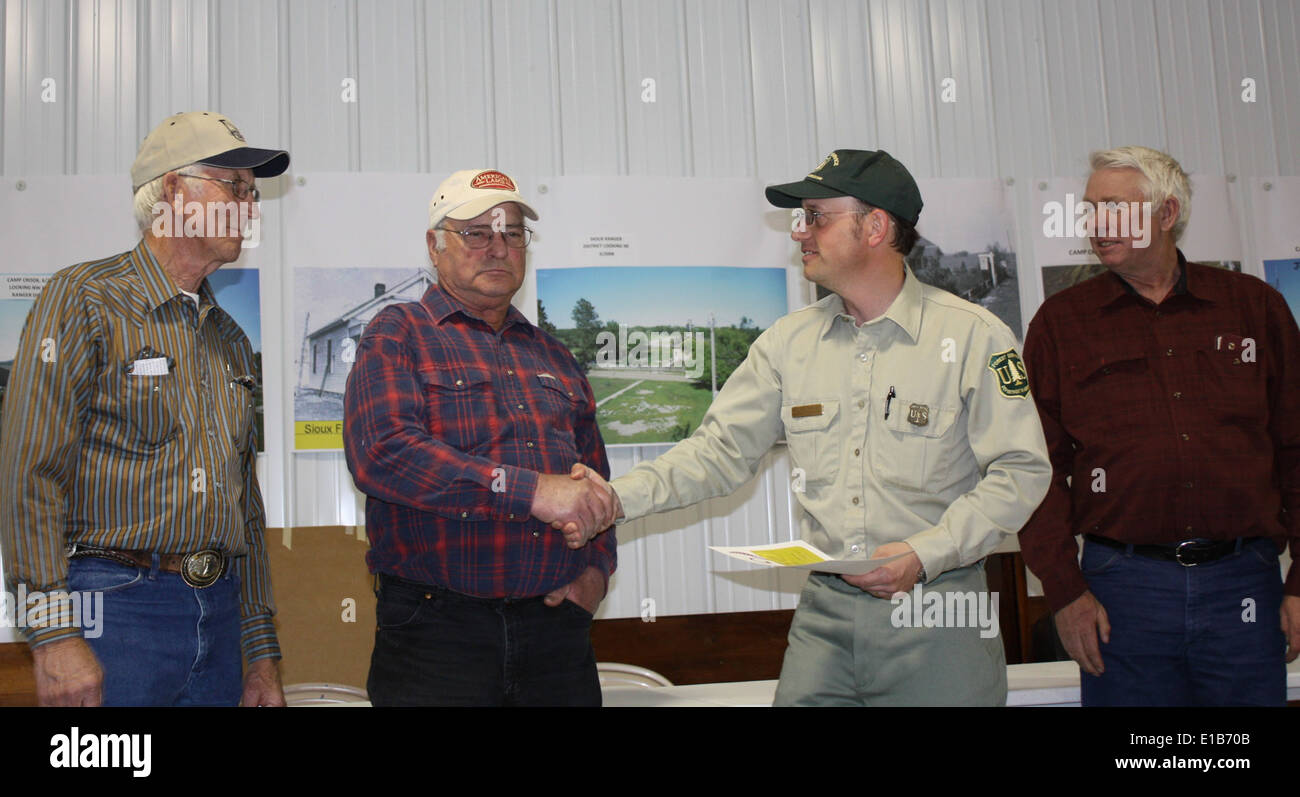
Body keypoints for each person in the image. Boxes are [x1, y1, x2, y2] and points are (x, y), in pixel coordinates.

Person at [565, 149, 1052, 705]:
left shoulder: (973, 337)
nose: (801, 232)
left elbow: (1020, 472)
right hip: (826, 616)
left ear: (875, 226)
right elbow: (718, 453)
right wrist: (612, 497)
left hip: (941, 611)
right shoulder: (786, 344)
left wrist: (926, 551)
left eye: (816, 216)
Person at [0, 111, 290, 706]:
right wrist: (52, 634)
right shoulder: (83, 299)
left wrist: (260, 652)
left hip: (221, 612)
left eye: (252, 192)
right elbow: (28, 475)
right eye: (233, 187)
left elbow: (247, 509)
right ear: (173, 191)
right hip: (113, 608)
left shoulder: (232, 341)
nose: (251, 207)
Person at [1019, 145, 1300, 705]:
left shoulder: (1255, 309)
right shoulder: (1062, 323)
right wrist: (1064, 590)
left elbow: (1295, 447)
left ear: (1166, 213)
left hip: (1244, 580)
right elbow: (1033, 468)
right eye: (1090, 209)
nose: (1097, 223)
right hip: (1121, 588)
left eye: (1114, 207)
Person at [342, 168, 617, 706]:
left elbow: (595, 482)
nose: (498, 247)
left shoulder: (554, 356)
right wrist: (531, 490)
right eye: (477, 232)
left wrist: (596, 572)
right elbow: (382, 453)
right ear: (435, 246)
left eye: (512, 233)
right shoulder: (398, 333)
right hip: (437, 638)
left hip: (557, 636)